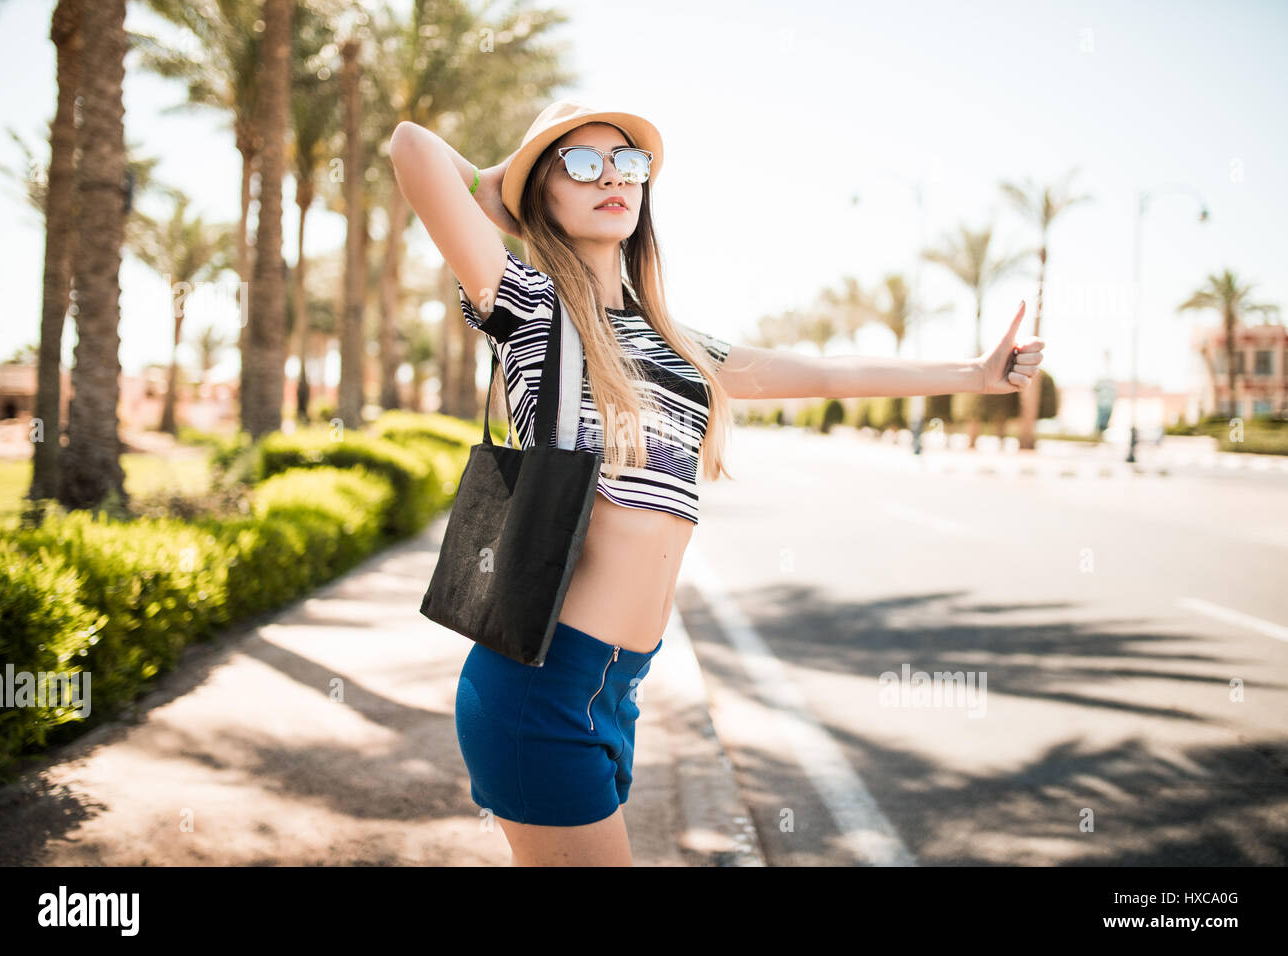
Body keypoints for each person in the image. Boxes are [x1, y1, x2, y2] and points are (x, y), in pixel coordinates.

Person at [389, 101, 1045, 866]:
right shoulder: (530, 305)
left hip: (617, 689)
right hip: (542, 684)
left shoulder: (678, 344)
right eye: (583, 163)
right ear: (544, 191)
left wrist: (975, 374)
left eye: (629, 164)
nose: (615, 178)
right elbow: (412, 149)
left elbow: (829, 370)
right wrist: (511, 181)